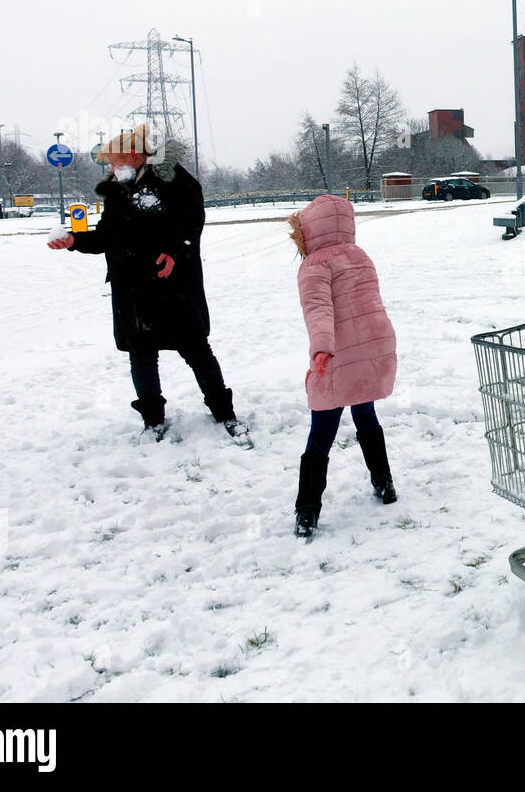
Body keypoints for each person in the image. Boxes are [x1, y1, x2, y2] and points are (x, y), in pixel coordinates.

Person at [47, 124, 245, 440]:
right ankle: (153, 421)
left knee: (195, 349)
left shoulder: (172, 180)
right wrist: (74, 240)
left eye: (114, 162)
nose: (111, 169)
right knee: (141, 354)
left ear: (135, 156)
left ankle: (225, 413)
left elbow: (192, 221)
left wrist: (175, 252)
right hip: (131, 289)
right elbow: (108, 235)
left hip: (172, 285)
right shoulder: (116, 189)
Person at [289, 195, 398, 538]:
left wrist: (321, 349)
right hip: (373, 345)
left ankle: (307, 512)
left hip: (337, 354)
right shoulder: (359, 256)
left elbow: (318, 309)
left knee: (321, 431)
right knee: (365, 414)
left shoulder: (314, 265)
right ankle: (385, 485)